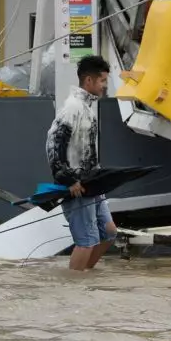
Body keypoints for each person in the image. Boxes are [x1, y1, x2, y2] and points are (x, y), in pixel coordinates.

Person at [45, 54, 116, 271]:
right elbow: (53, 146)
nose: (105, 86)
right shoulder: (72, 108)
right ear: (89, 81)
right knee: (86, 241)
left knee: (109, 233)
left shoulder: (88, 108)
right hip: (77, 187)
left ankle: (85, 277)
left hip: (93, 184)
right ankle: (73, 287)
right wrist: (68, 179)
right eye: (102, 80)